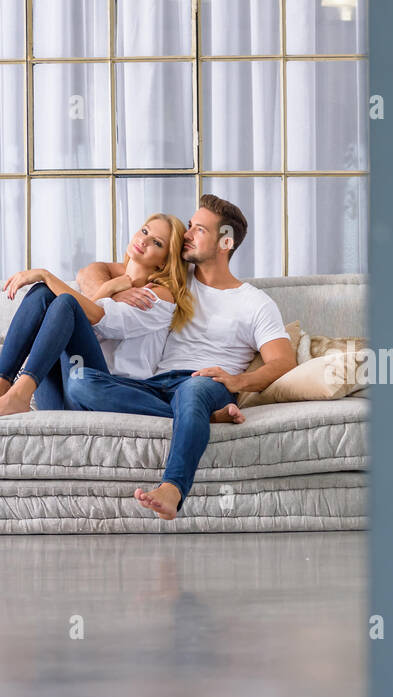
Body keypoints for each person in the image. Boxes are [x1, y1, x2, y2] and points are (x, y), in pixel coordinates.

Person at [75, 194, 296, 521]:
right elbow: (91, 270)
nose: (187, 234)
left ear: (225, 242)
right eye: (191, 225)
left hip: (205, 382)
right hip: (156, 383)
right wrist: (119, 289)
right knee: (81, 383)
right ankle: (207, 418)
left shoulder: (255, 303)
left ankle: (172, 488)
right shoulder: (175, 277)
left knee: (192, 391)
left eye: (199, 230)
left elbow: (283, 362)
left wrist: (238, 381)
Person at [0, 213, 201, 418]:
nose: (144, 240)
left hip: (99, 391)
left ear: (164, 261)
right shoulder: (118, 282)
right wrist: (109, 288)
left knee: (63, 300)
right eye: (144, 231)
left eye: (157, 243)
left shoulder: (159, 296)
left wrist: (45, 274)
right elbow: (86, 299)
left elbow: (97, 318)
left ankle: (20, 393)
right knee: (42, 293)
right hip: (60, 392)